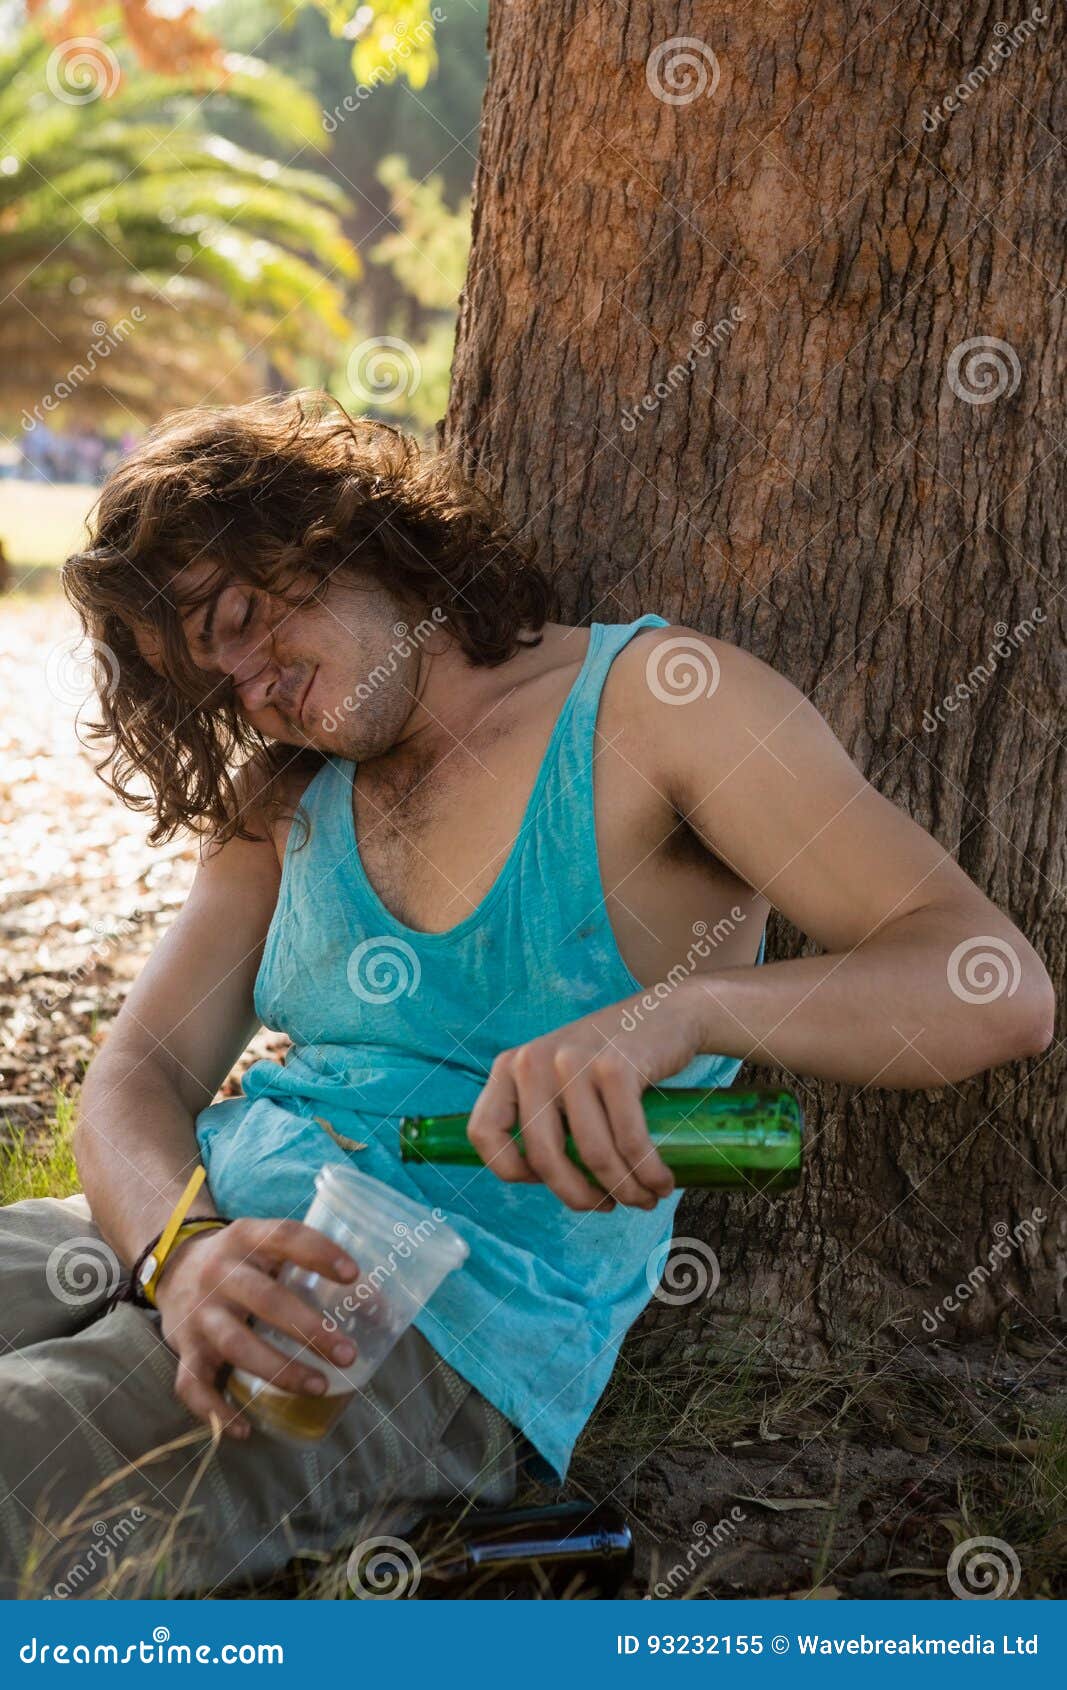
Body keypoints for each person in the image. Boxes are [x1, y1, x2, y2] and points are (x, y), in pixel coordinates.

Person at [0, 393, 1052, 1597]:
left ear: (349, 531)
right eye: (215, 678)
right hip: (183, 1235)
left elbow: (991, 984)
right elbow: (136, 1078)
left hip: (415, 1312)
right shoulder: (284, 795)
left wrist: (686, 1013)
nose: (253, 683)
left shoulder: (660, 702)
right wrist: (180, 1253)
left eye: (244, 615)